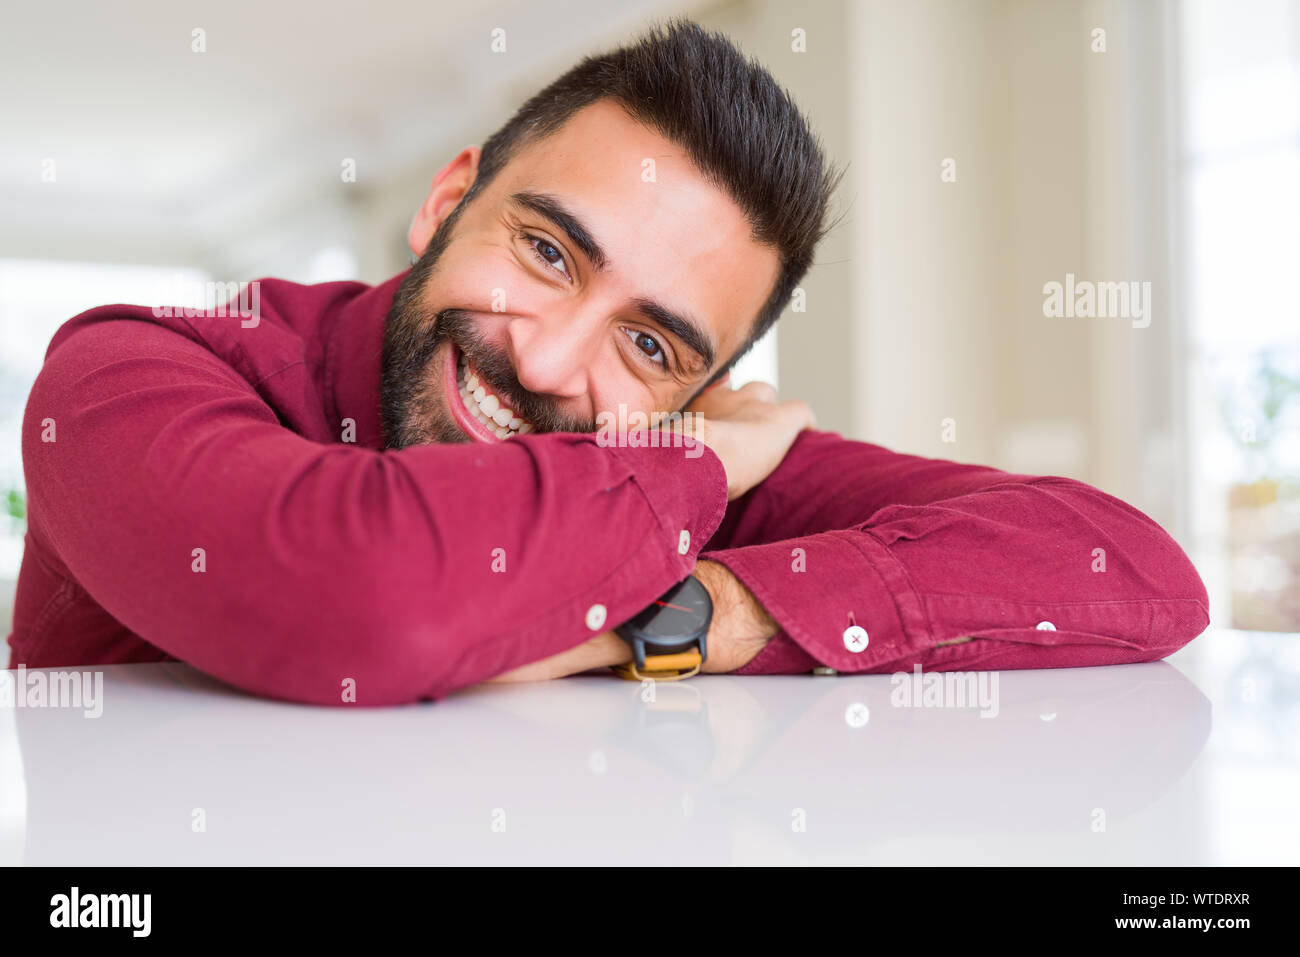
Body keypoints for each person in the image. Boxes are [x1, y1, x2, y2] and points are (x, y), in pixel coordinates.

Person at [7, 20, 1208, 705]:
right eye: (545, 251)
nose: (549, 360)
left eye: (649, 343)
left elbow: (1136, 572)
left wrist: (694, 613)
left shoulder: (683, 441)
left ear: (700, 378)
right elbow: (362, 596)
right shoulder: (127, 374)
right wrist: (689, 464)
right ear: (445, 201)